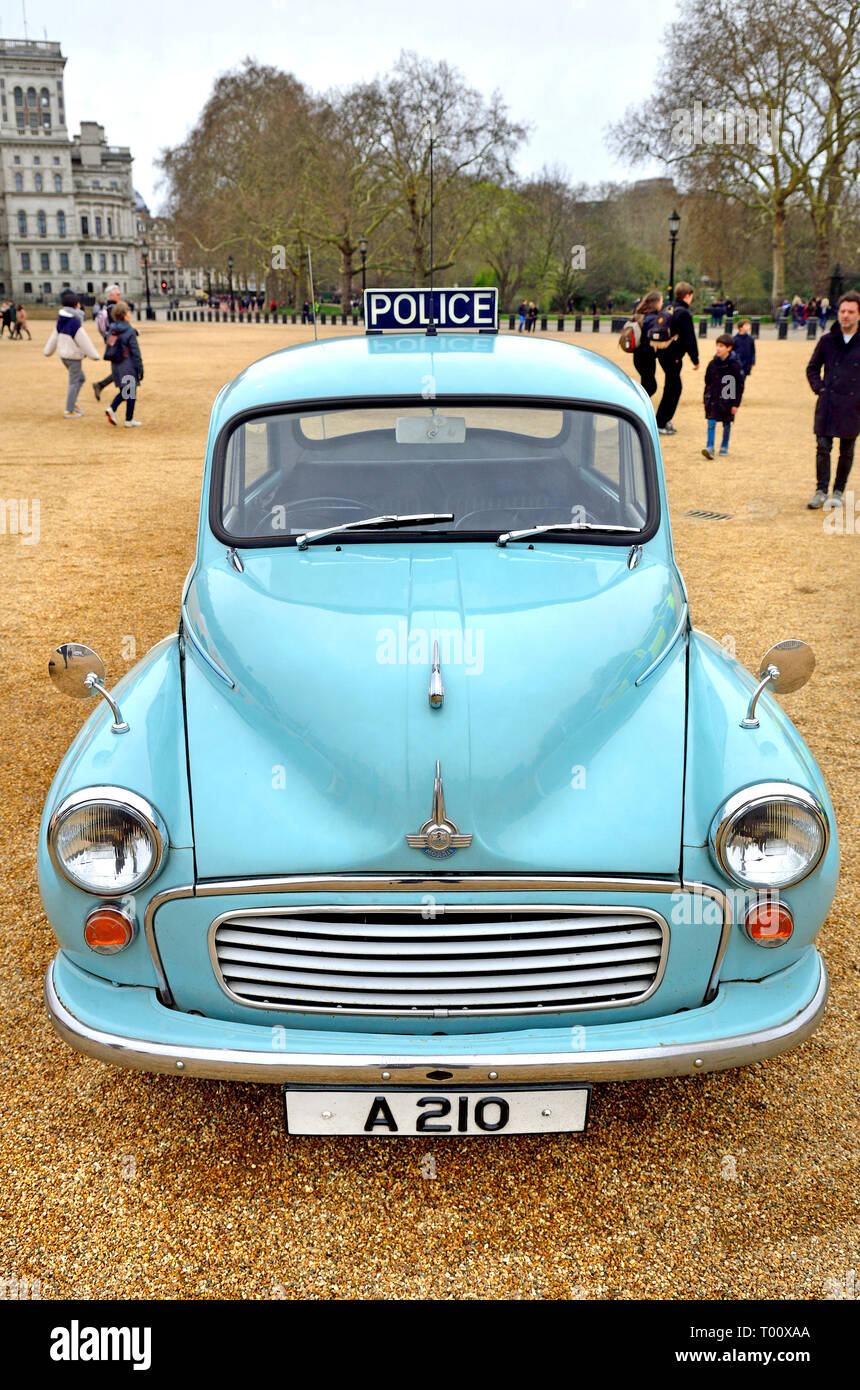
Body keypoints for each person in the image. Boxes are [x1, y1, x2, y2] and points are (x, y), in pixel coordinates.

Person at [805, 291, 860, 509]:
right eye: (842, 311)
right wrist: (820, 389)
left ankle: (838, 490)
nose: (845, 315)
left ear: (858, 315)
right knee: (822, 447)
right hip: (828, 402)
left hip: (853, 404)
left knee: (846, 449)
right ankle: (821, 490)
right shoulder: (827, 341)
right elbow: (812, 368)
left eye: (851, 312)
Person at [43, 289, 101, 417]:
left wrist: (48, 351)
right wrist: (94, 355)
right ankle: (69, 410)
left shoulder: (61, 319)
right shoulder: (74, 322)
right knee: (74, 382)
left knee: (81, 378)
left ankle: (73, 403)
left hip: (64, 355)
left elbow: (54, 336)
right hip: (73, 356)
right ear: (76, 305)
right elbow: (84, 340)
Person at [653, 281, 700, 435]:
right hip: (673, 355)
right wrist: (695, 359)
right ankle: (660, 421)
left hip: (662, 351)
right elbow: (689, 338)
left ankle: (664, 419)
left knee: (672, 386)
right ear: (688, 295)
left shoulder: (668, 308)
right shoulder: (683, 313)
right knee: (673, 388)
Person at [702, 333, 745, 458]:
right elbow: (707, 383)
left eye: (721, 346)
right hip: (713, 399)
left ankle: (724, 445)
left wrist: (735, 404)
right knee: (711, 422)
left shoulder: (735, 366)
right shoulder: (712, 364)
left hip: (728, 399)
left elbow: (739, 386)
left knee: (726, 424)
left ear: (729, 348)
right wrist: (705, 400)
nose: (718, 349)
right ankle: (710, 447)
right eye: (717, 346)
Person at [103, 301, 144, 428]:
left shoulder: (113, 328)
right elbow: (135, 351)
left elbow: (110, 344)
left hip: (116, 364)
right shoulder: (129, 330)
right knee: (129, 392)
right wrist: (140, 368)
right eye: (128, 312)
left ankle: (128, 419)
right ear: (124, 315)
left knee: (127, 392)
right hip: (128, 365)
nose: (130, 314)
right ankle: (113, 409)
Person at [630, 290, 663, 398]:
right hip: (647, 356)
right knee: (651, 386)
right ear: (656, 303)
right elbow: (653, 339)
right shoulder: (653, 319)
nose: (662, 304)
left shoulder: (640, 315)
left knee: (646, 384)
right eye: (661, 301)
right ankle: (636, 404)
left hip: (638, 354)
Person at [92, 284, 122, 399]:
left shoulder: (108, 308)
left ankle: (101, 385)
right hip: (115, 339)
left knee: (120, 366)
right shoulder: (113, 309)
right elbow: (117, 327)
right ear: (110, 295)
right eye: (117, 294)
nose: (120, 295)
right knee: (122, 366)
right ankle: (100, 385)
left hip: (111, 339)